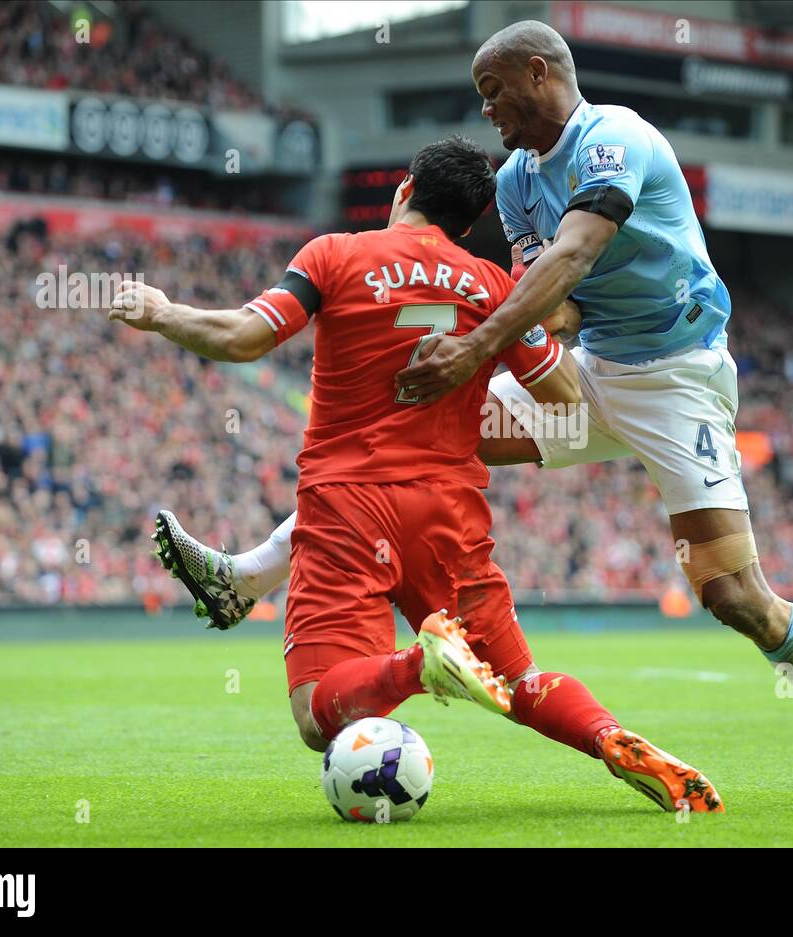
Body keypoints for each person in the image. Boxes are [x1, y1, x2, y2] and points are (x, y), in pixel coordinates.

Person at [163, 23, 793, 801]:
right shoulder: (520, 181)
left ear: (539, 72)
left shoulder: (613, 137)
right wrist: (489, 335)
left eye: (494, 92)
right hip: (584, 377)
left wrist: (473, 348)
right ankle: (246, 576)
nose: (487, 111)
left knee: (737, 599)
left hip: (677, 382)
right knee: (408, 436)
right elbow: (550, 301)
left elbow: (574, 256)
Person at [110, 135, 723, 813]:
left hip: (346, 511)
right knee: (520, 682)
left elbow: (244, 338)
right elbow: (568, 401)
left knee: (322, 714)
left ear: (405, 188)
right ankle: (607, 736)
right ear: (467, 223)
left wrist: (162, 313)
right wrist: (546, 328)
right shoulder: (494, 288)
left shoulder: (334, 255)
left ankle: (418, 663)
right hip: (449, 517)